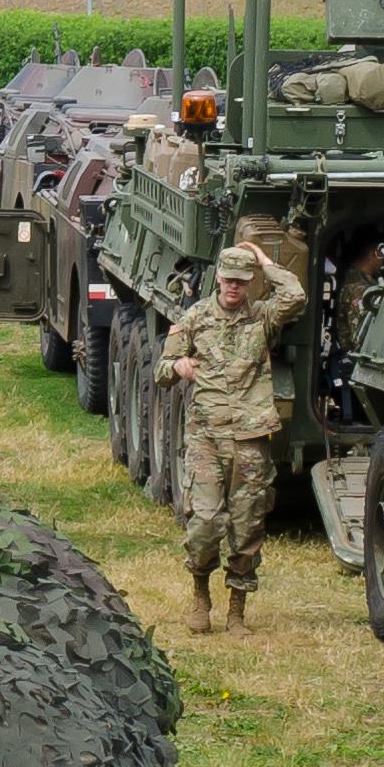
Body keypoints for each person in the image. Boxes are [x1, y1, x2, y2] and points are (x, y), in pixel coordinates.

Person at [151, 239, 305, 628]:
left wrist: (266, 261)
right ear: (217, 278)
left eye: (242, 281)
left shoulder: (263, 317)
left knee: (247, 524)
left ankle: (237, 609)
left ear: (250, 281)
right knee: (204, 522)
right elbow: (161, 369)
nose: (234, 288)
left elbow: (295, 295)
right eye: (228, 280)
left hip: (250, 439)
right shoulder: (195, 318)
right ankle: (200, 595)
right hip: (206, 435)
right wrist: (180, 366)